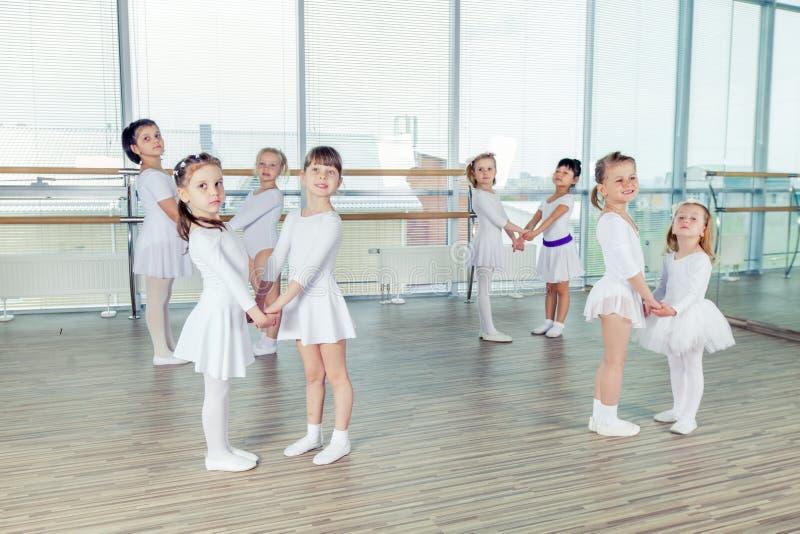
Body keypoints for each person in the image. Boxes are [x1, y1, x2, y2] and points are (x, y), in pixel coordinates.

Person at [172, 153, 270, 472]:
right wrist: (255, 310)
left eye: (218, 183)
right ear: (185, 195)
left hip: (227, 313)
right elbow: (229, 279)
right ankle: (215, 454)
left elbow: (241, 266)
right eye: (203, 186)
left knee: (222, 388)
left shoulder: (220, 227)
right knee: (215, 389)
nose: (214, 191)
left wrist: (252, 293)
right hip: (215, 316)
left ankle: (223, 446)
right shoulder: (201, 236)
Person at [259, 146, 356, 465]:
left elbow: (307, 271)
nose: (323, 176)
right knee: (313, 375)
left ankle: (340, 439)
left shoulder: (332, 222)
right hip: (299, 305)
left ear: (339, 181)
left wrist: (276, 307)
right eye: (316, 170)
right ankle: (313, 435)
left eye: (330, 172)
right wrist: (260, 298)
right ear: (302, 177)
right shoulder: (294, 217)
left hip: (322, 303)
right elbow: (277, 259)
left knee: (336, 375)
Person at [637, 200, 735, 435]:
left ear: (703, 230)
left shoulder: (700, 259)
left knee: (692, 366)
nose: (685, 221)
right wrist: (650, 302)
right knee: (675, 364)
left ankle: (689, 417)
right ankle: (677, 409)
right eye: (681, 217)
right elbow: (663, 286)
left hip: (691, 317)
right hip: (670, 314)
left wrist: (674, 310)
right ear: (672, 225)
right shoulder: (671, 257)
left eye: (693, 219)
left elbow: (694, 293)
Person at [583, 151, 661, 437]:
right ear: (603, 189)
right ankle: (608, 420)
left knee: (610, 359)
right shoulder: (612, 221)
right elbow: (628, 268)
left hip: (619, 291)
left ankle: (600, 417)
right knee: (616, 361)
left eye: (632, 177)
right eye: (619, 180)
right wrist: (649, 298)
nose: (628, 183)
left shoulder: (619, 215)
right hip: (617, 293)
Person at [122, 119, 194, 366]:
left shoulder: (158, 174)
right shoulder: (152, 176)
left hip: (164, 240)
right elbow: (174, 213)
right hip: (158, 243)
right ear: (135, 149)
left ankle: (168, 347)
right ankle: (160, 353)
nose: (155, 140)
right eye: (146, 138)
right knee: (156, 298)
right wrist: (202, 228)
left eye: (157, 134)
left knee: (162, 298)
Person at [229, 148, 287, 356]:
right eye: (262, 163)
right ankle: (264, 340)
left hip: (267, 249)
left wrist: (220, 230)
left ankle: (270, 343)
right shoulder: (253, 193)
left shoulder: (274, 194)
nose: (266, 168)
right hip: (251, 250)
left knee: (271, 300)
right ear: (256, 165)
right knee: (259, 299)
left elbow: (244, 219)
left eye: (272, 165)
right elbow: (241, 215)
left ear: (281, 169)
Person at [466, 152, 526, 343]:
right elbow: (498, 220)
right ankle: (489, 330)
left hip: (493, 242)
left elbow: (504, 219)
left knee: (485, 288)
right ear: (474, 174)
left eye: (489, 169)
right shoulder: (480, 195)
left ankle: (486, 329)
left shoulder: (492, 194)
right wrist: (524, 231)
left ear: (495, 172)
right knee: (483, 289)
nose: (485, 173)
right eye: (480, 169)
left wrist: (515, 238)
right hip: (485, 243)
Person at [523, 158, 585, 338]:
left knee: (562, 288)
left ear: (574, 180)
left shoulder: (567, 199)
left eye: (565, 173)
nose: (560, 175)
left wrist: (534, 234)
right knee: (549, 287)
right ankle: (548, 321)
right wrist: (522, 235)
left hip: (562, 249)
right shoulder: (547, 200)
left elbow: (550, 221)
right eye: (558, 171)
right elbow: (533, 221)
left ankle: (559, 324)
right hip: (548, 248)